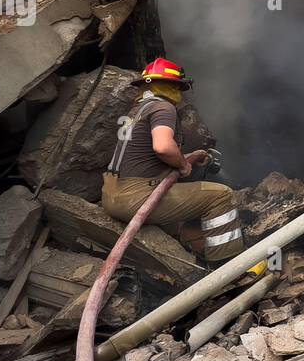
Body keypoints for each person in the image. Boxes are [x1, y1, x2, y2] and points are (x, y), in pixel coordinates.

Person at [101, 58, 245, 265]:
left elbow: (146, 157)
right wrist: (183, 165)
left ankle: (189, 250)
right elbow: (163, 147)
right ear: (171, 86)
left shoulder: (137, 111)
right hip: (135, 198)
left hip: (112, 194)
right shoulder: (163, 107)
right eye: (178, 87)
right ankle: (227, 264)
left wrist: (190, 156)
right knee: (221, 196)